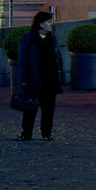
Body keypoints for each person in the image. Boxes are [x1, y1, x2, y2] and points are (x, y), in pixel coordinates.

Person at [17, 11, 62, 140]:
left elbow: (57, 59)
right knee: (30, 108)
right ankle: (26, 133)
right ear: (41, 24)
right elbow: (23, 60)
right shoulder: (28, 39)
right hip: (34, 80)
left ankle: (46, 133)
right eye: (48, 22)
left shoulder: (52, 39)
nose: (51, 25)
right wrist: (24, 79)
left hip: (50, 80)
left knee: (48, 109)